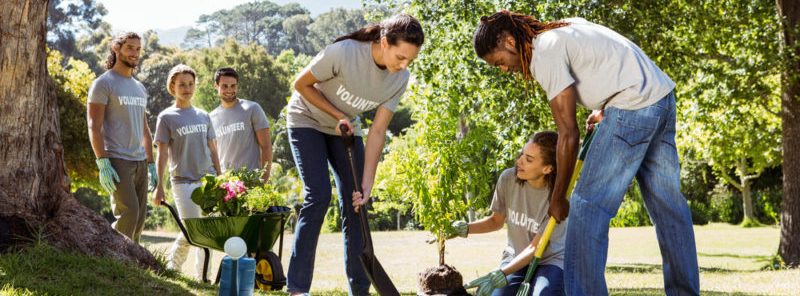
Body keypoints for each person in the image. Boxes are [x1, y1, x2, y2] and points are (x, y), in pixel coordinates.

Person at [473, 10, 700, 296]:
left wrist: (558, 197)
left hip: (632, 107)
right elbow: (615, 62)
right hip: (661, 98)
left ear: (508, 41)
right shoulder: (567, 28)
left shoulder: (544, 52)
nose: (504, 69)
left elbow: (568, 134)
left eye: (499, 63)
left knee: (586, 207)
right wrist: (604, 106)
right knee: (670, 210)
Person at [284, 13, 425, 296]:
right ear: (384, 42)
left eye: (410, 60)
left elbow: (378, 131)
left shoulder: (400, 79)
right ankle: (297, 288)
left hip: (345, 130)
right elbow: (300, 84)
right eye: (400, 57)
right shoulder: (345, 53)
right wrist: (338, 114)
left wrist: (367, 184)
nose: (404, 65)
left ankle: (359, 290)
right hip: (306, 120)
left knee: (356, 203)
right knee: (319, 195)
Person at [454, 132, 565, 296]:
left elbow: (536, 248)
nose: (519, 161)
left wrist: (500, 274)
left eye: (529, 159)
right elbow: (496, 221)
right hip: (515, 257)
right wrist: (464, 229)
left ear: (547, 168)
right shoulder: (508, 179)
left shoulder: (558, 198)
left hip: (550, 261)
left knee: (543, 293)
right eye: (522, 154)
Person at [152, 64, 222, 278]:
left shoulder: (203, 115)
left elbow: (213, 149)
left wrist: (220, 177)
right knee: (191, 229)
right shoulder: (166, 117)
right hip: (183, 182)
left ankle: (203, 276)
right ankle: (172, 268)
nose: (187, 88)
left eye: (190, 84)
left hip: (208, 179)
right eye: (182, 84)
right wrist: (159, 186)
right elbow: (162, 155)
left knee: (207, 229)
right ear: (172, 86)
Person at [87, 32, 156, 243]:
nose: (134, 53)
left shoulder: (139, 87)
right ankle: (115, 258)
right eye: (129, 48)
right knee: (129, 212)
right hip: (117, 159)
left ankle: (132, 265)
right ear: (116, 49)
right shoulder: (103, 83)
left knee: (140, 218)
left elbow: (144, 128)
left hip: (139, 161)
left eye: (138, 49)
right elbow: (94, 125)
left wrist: (150, 162)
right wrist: (102, 162)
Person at [209, 67, 272, 180]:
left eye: (233, 86)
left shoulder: (252, 109)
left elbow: (266, 146)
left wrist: (264, 179)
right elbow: (213, 155)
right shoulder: (211, 118)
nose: (229, 90)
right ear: (216, 86)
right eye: (224, 86)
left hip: (251, 179)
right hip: (226, 183)